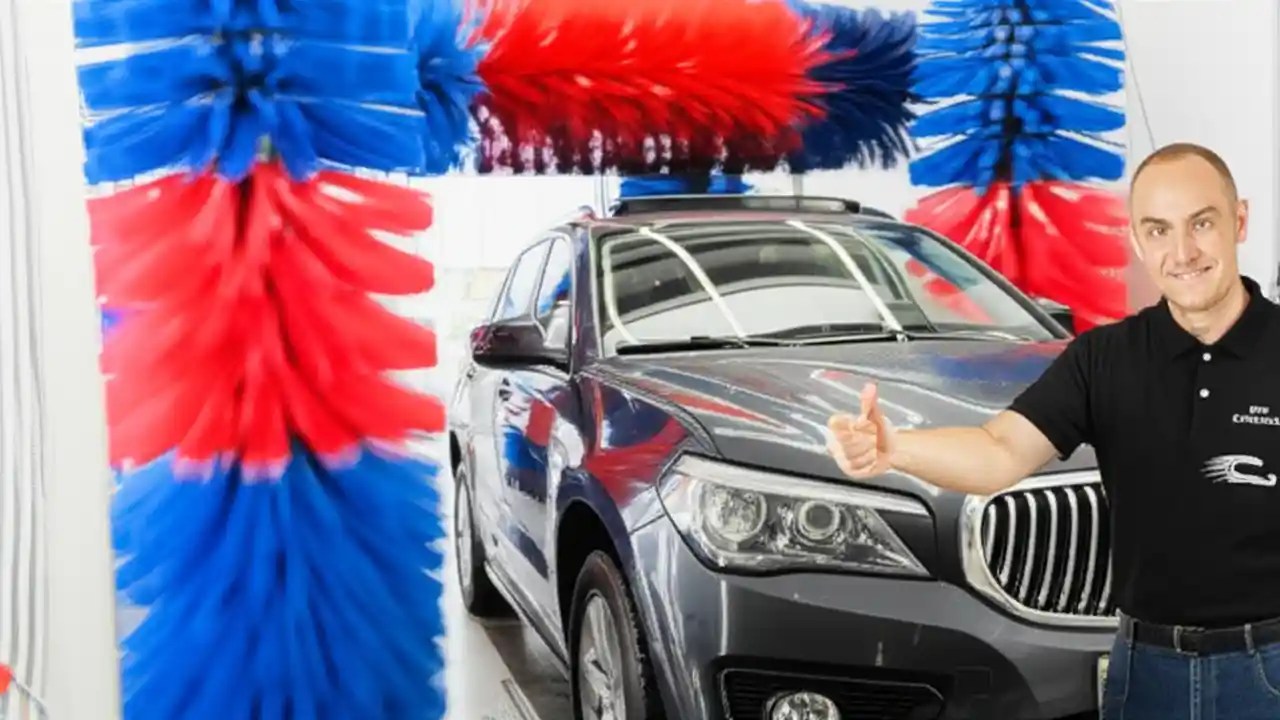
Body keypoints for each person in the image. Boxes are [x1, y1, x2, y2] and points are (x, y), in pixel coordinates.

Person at [827, 142, 1280, 720]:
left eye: (1203, 223)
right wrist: (894, 449)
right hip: (1145, 671)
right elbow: (999, 452)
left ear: (1239, 220)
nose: (1183, 251)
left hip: (1268, 667)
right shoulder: (1104, 358)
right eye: (1158, 230)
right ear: (1138, 242)